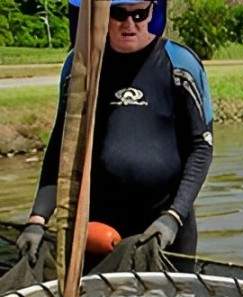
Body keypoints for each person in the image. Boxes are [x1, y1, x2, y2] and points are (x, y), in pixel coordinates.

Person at [16, 0, 213, 272]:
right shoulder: (81, 66)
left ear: (153, 12)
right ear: (102, 15)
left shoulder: (181, 65)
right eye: (118, 14)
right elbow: (62, 146)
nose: (129, 24)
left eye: (139, 14)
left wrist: (174, 216)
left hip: (167, 227)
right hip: (99, 228)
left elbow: (201, 148)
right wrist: (38, 219)